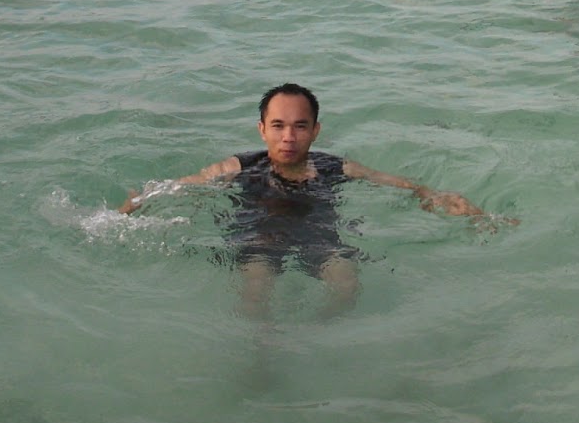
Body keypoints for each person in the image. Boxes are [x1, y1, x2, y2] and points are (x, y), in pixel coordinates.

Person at [119, 83, 496, 321]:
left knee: (347, 286)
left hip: (320, 237)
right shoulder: (239, 166)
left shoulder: (337, 167)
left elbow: (406, 186)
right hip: (258, 237)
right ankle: (261, 356)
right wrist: (131, 208)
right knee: (256, 293)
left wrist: (450, 203)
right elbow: (179, 187)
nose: (289, 137)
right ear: (262, 129)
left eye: (300, 126)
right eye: (279, 126)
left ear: (315, 130)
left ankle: (314, 340)